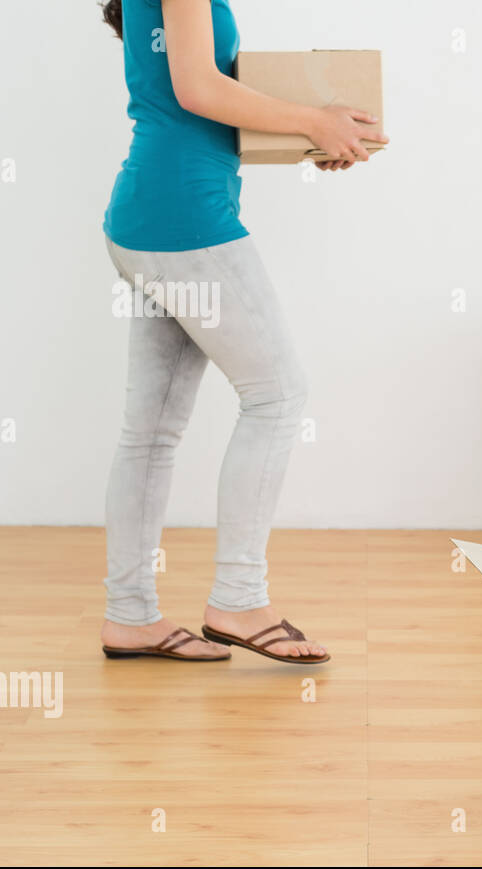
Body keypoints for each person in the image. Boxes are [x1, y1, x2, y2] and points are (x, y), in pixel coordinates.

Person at [96, 0, 387, 663]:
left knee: (150, 430)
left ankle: (131, 615)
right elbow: (198, 88)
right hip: (185, 221)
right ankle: (238, 599)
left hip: (150, 217)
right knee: (277, 396)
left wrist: (309, 140)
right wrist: (315, 119)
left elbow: (193, 110)